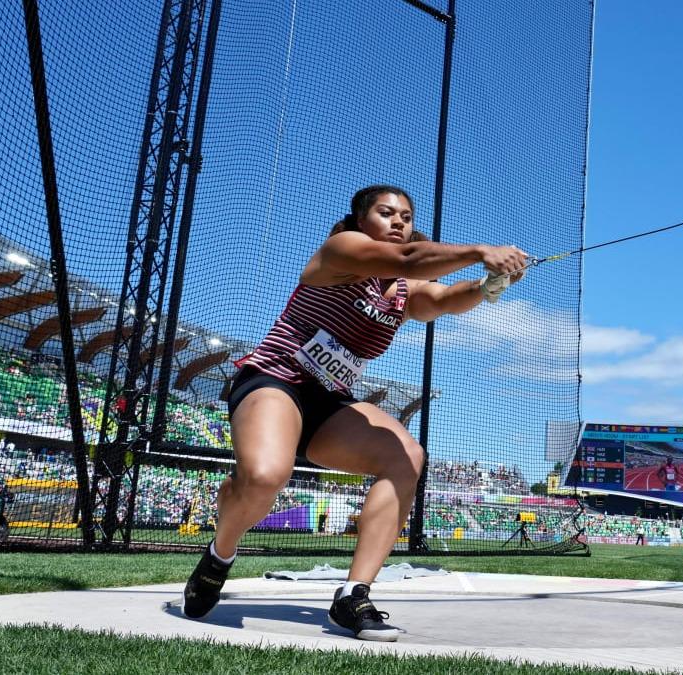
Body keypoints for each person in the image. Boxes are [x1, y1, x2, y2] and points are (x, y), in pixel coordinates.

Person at [181, 185, 527, 641]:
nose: (399, 221)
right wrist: (482, 251)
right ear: (361, 220)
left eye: (406, 215)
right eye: (387, 213)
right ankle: (219, 555)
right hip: (276, 380)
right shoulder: (340, 250)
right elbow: (407, 260)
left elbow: (443, 300)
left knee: (407, 455)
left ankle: (353, 595)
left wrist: (489, 285)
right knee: (265, 477)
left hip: (330, 402)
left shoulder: (403, 292)